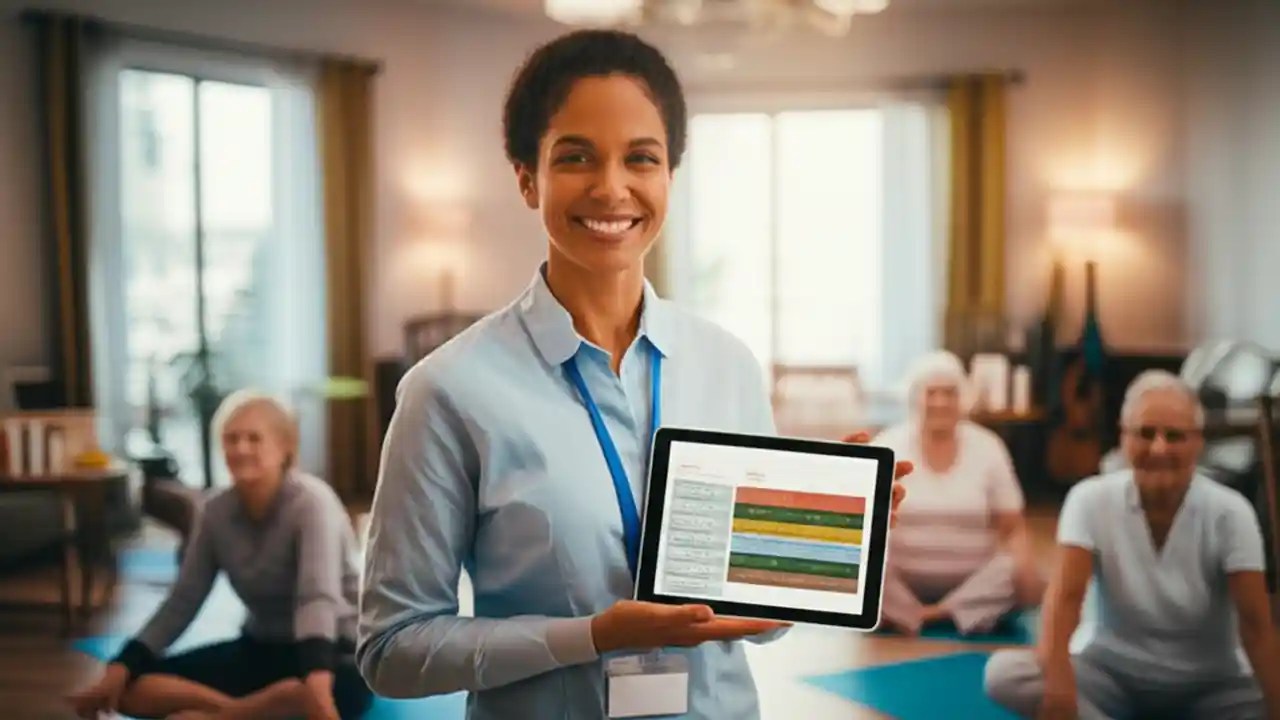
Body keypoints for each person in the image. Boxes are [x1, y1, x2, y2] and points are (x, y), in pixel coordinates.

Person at [355, 29, 909, 720]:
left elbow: (764, 626)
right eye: (576, 156)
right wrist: (589, 638)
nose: (611, 187)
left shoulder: (726, 364)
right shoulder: (449, 390)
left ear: (669, 177)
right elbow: (392, 650)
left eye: (641, 158)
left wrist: (815, 548)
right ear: (527, 176)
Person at [984, 370, 1280, 719]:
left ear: (1198, 443)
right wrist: (1059, 686)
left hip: (1213, 686)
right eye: (1145, 433)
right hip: (1110, 676)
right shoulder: (1089, 499)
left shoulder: (1232, 513)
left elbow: (1257, 626)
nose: (1159, 448)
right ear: (1124, 440)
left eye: (1174, 436)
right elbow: (1064, 599)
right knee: (1005, 674)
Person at [68, 391, 372, 720]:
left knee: (348, 692)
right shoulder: (214, 511)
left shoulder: (312, 502)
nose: (241, 448)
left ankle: (247, 710)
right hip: (260, 648)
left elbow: (316, 598)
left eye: (254, 438)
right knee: (130, 690)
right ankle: (242, 712)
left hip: (331, 651)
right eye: (231, 439)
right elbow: (182, 600)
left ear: (285, 448)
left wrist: (316, 689)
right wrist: (122, 665)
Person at [869, 350, 1043, 636]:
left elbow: (1012, 526)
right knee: (861, 563)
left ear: (961, 399)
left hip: (972, 580)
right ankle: (919, 610)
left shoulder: (989, 446)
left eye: (949, 393)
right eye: (931, 393)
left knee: (1014, 569)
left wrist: (1025, 568)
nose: (940, 402)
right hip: (901, 581)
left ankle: (931, 614)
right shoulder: (887, 445)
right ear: (915, 398)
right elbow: (864, 520)